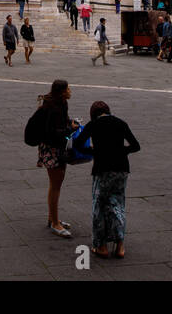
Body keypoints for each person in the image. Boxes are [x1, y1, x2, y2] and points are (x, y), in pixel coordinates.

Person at [72, 101, 140, 259]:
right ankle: (120, 245)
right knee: (118, 204)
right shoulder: (120, 123)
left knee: (100, 206)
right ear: (108, 111)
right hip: (121, 169)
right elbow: (136, 146)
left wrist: (93, 151)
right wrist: (122, 151)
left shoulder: (93, 124)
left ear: (93, 113)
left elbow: (78, 143)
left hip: (102, 169)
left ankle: (101, 246)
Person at [32, 79, 78, 238]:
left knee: (57, 183)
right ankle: (55, 223)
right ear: (62, 91)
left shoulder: (62, 104)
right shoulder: (51, 108)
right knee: (55, 185)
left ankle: (53, 217)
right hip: (51, 148)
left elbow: (62, 124)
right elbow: (52, 132)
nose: (70, 91)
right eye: (68, 88)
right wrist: (69, 129)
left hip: (58, 148)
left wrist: (69, 123)